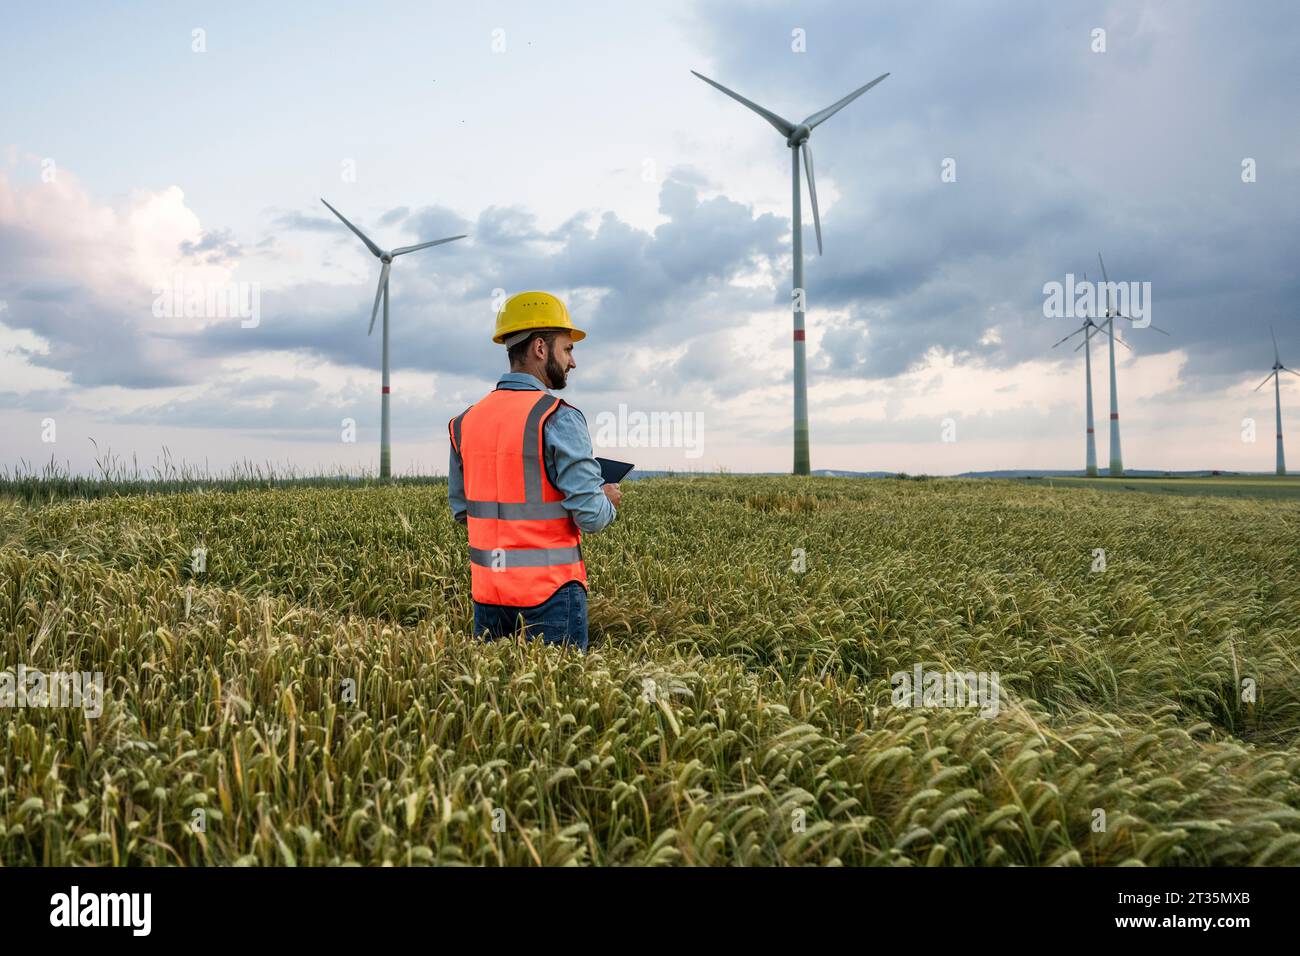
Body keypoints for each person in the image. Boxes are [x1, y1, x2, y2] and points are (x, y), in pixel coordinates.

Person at [447, 291, 621, 652]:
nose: (573, 362)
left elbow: (464, 511)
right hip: (551, 594)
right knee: (557, 701)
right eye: (568, 349)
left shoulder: (465, 422)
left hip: (488, 597)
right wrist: (607, 500)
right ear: (540, 348)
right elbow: (590, 516)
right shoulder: (558, 416)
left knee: (497, 700)